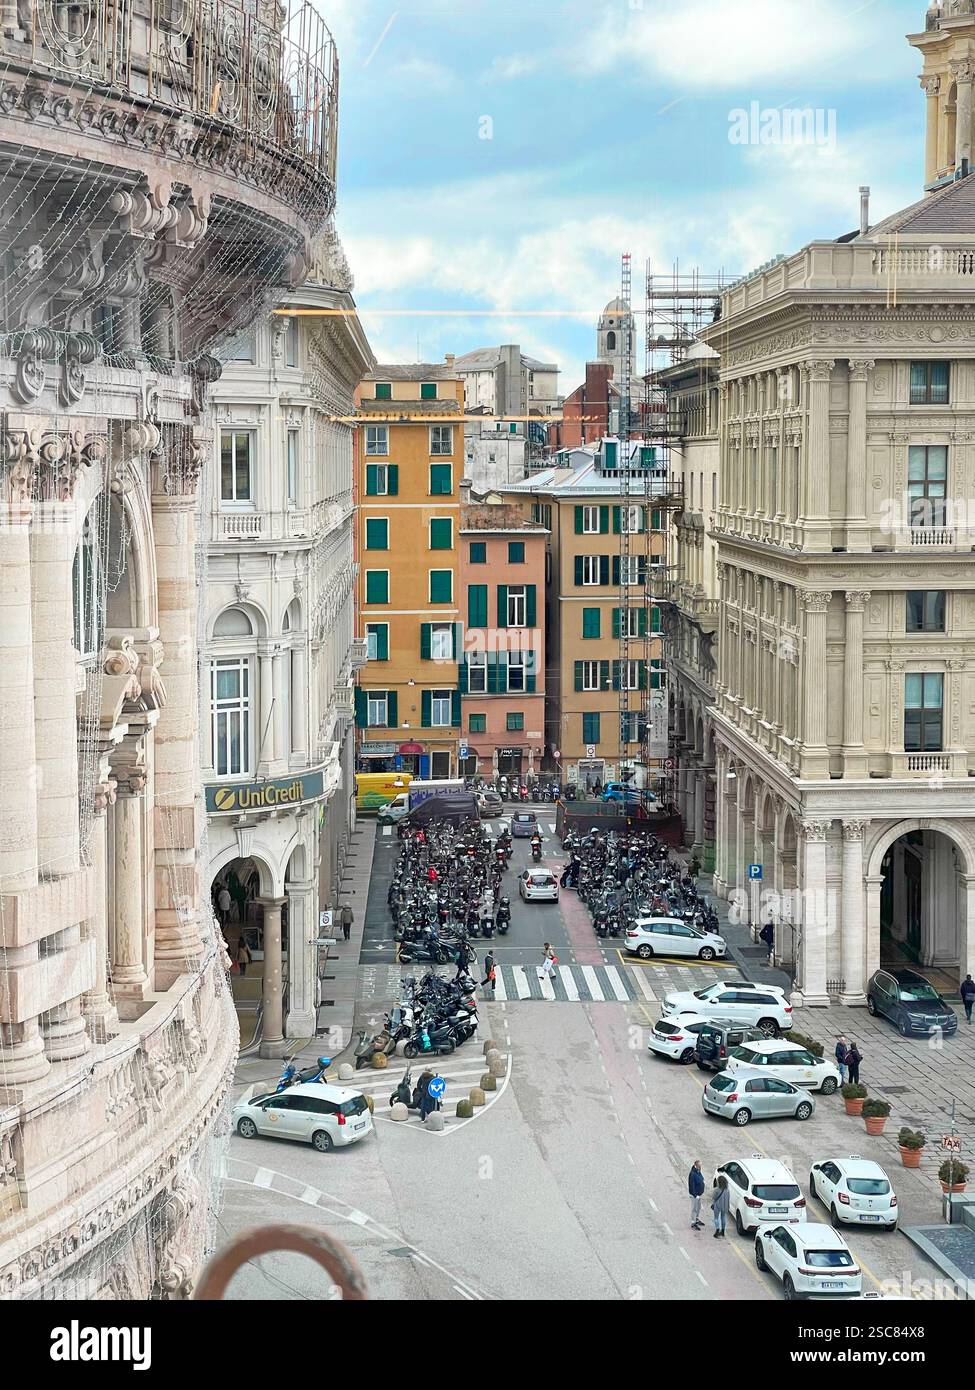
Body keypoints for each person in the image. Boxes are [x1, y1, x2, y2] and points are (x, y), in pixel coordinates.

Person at [711, 1173, 730, 1238]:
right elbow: (728, 1198)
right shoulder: (727, 1190)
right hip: (725, 1206)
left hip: (718, 1205)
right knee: (723, 1217)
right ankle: (723, 1231)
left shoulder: (716, 1189)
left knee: (716, 1218)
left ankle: (717, 1230)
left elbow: (713, 1197)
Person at [688, 1160, 705, 1230]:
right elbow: (692, 1186)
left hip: (699, 1194)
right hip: (695, 1195)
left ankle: (697, 1219)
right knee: (694, 1209)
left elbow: (701, 1177)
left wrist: (702, 1180)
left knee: (698, 1208)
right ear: (696, 1166)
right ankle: (693, 1223)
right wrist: (695, 1195)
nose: (700, 1167)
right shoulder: (692, 1174)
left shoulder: (698, 1171)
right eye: (699, 1166)